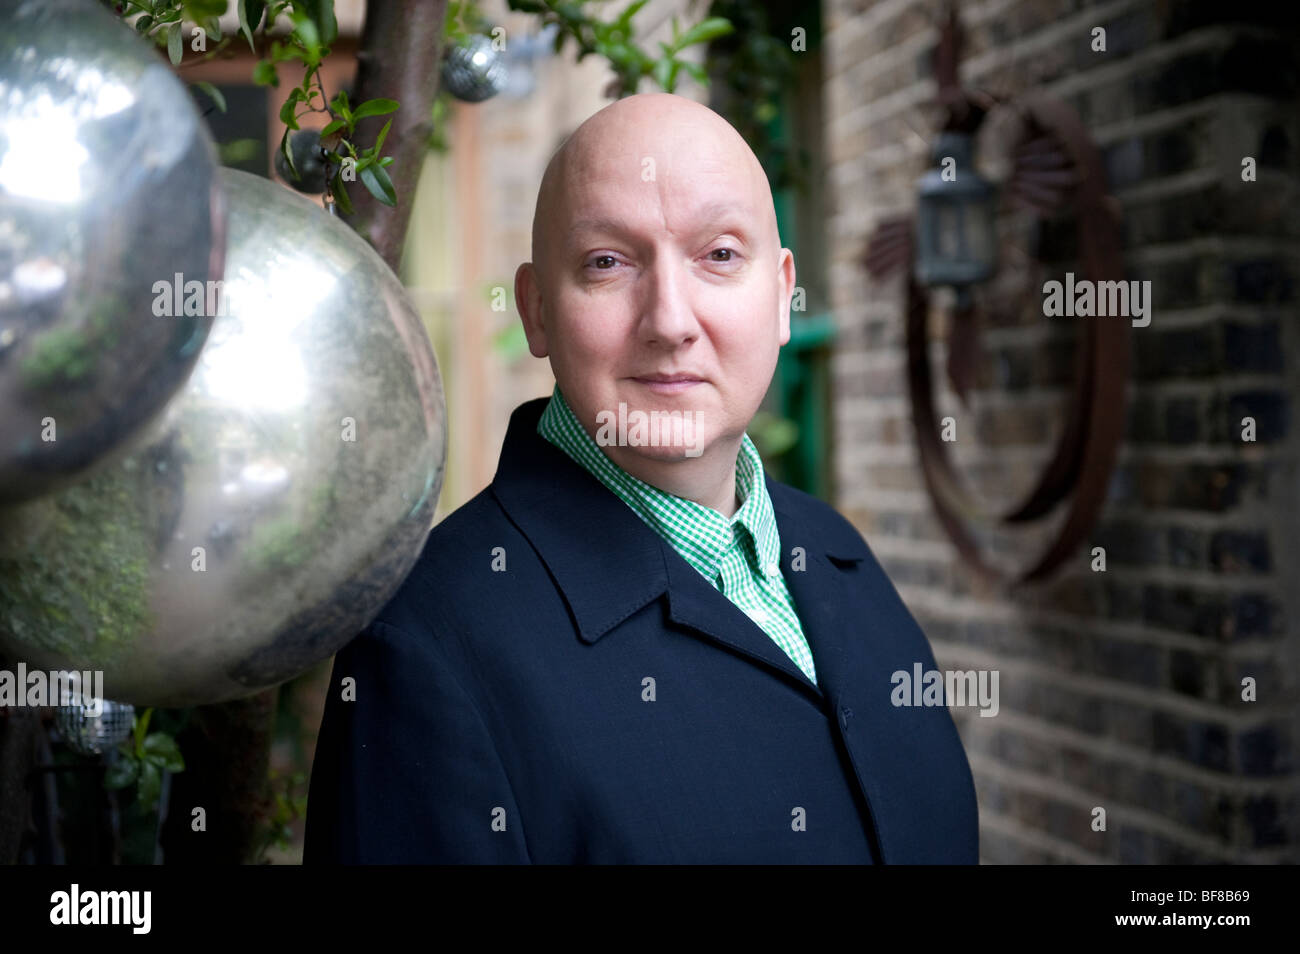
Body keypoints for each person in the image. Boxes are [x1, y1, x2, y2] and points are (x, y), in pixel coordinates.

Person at [304, 92, 978, 864]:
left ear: (783, 295)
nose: (670, 320)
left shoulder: (838, 555)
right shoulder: (424, 648)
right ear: (537, 313)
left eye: (720, 255)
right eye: (607, 263)